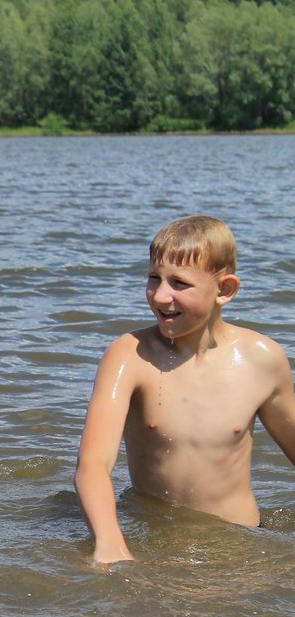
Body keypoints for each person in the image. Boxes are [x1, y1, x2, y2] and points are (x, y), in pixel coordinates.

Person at [74, 215, 295, 563]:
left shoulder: (262, 360)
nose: (161, 296)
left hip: (242, 543)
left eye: (179, 283)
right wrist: (110, 540)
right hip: (156, 541)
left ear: (224, 290)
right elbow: (93, 463)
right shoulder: (130, 356)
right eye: (153, 279)